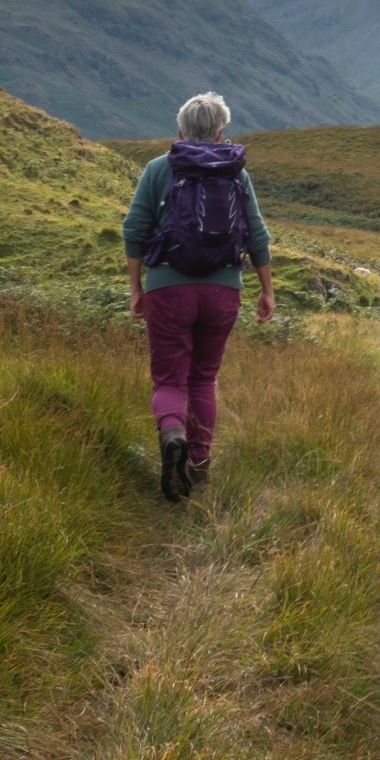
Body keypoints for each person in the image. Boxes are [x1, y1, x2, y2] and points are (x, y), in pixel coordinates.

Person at [122, 92, 274, 502]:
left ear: (180, 131)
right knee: (203, 378)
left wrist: (137, 288)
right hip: (223, 289)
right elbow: (257, 235)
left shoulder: (158, 168)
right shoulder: (236, 174)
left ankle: (172, 431)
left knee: (170, 379)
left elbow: (134, 228)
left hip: (168, 289)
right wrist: (266, 291)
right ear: (222, 133)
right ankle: (199, 472)